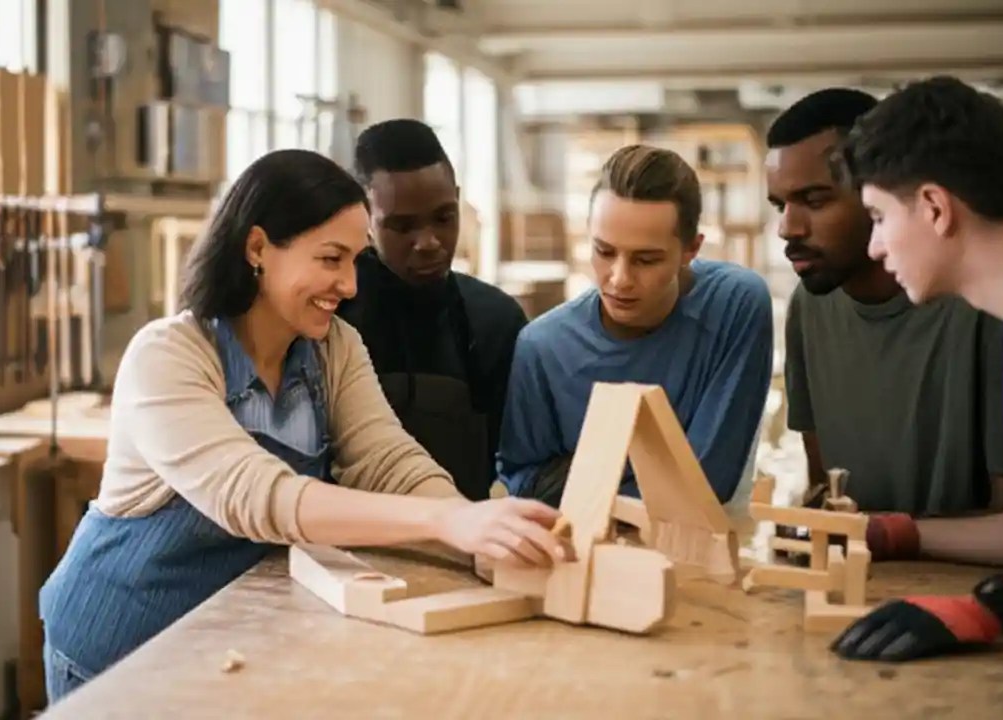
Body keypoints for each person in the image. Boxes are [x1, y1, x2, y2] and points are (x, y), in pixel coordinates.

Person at [38, 149, 564, 699]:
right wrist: (443, 522)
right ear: (259, 248)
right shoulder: (169, 356)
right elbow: (258, 497)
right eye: (331, 258)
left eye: (355, 261)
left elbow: (386, 460)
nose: (350, 285)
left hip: (218, 647)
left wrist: (476, 531)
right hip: (115, 653)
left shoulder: (333, 348)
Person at [830, 76, 1003, 662]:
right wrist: (900, 533)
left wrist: (992, 607)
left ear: (935, 207)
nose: (873, 246)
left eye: (876, 215)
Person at [766, 87, 1003, 522]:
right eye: (779, 206)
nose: (787, 228)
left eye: (814, 200)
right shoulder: (809, 306)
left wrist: (891, 538)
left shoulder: (986, 307)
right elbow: (826, 488)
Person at [497, 144, 773, 506]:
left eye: (646, 259)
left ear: (691, 250)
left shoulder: (736, 304)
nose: (620, 279)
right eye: (604, 251)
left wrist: (590, 478)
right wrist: (658, 472)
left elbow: (706, 485)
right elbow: (525, 485)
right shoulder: (542, 347)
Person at [337, 119, 529, 502]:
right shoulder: (330, 322)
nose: (428, 242)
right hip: (350, 548)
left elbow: (520, 464)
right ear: (364, 219)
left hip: (467, 539)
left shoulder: (495, 321)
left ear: (458, 200)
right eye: (402, 226)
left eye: (444, 217)